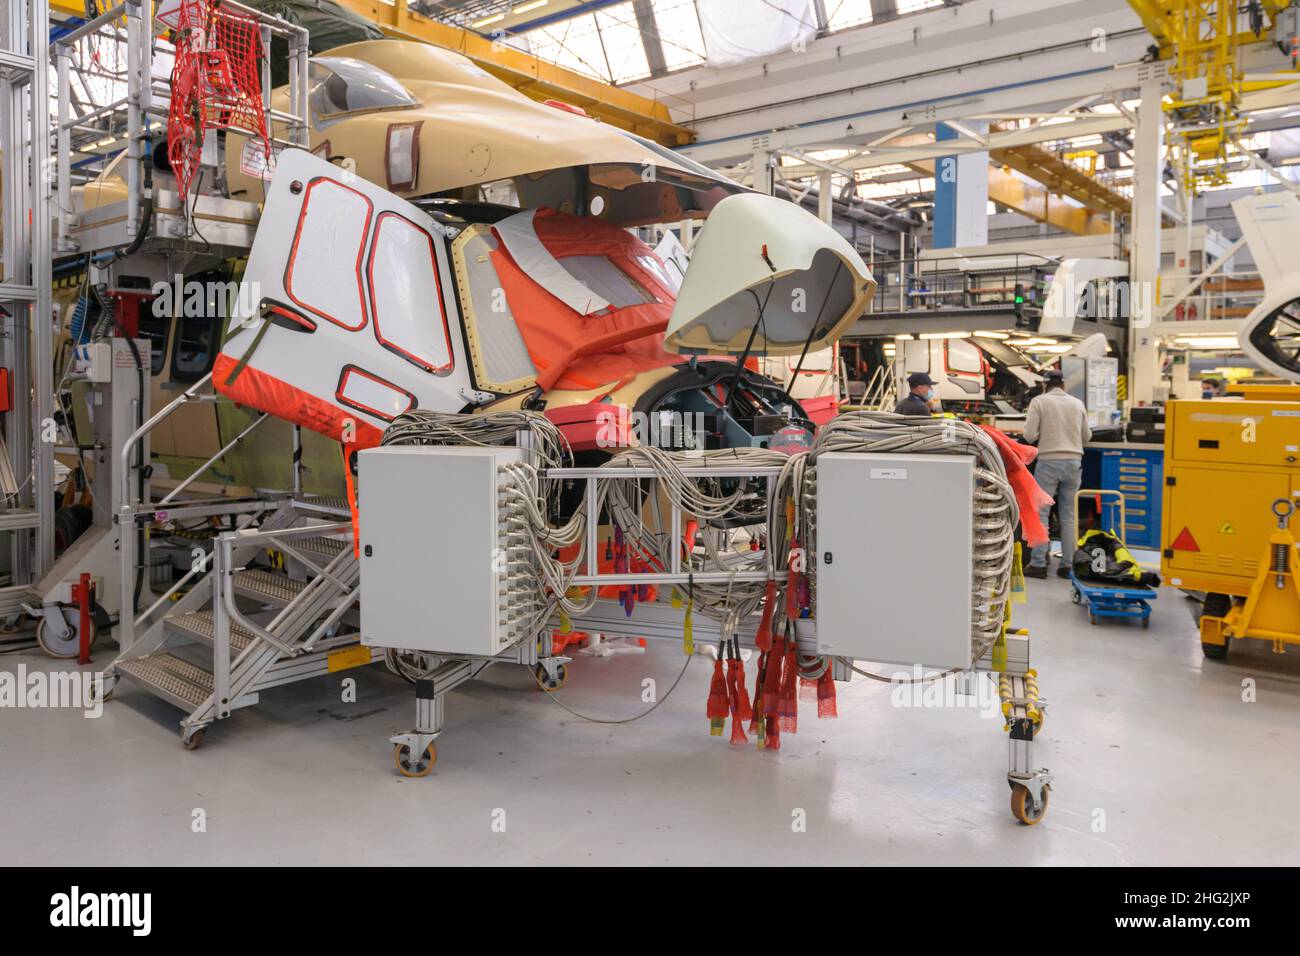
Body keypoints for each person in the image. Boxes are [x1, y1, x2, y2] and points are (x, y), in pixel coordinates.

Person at [1023, 368, 1091, 579]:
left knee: (1042, 512)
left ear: (1045, 384)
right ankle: (1067, 565)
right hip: (1073, 462)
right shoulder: (1077, 403)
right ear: (1063, 385)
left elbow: (1029, 435)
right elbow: (1086, 436)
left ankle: (1038, 563)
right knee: (1069, 515)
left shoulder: (1039, 402)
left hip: (1049, 461)